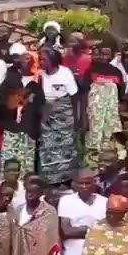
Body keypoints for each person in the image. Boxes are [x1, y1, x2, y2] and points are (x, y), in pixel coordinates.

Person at [38, 49, 79, 185]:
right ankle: (50, 181)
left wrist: (77, 118)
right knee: (47, 149)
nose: (41, 62)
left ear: (53, 60)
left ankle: (65, 180)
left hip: (64, 117)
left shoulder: (65, 73)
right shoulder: (39, 74)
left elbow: (74, 96)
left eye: (44, 59)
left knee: (66, 149)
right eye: (40, 59)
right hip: (46, 117)